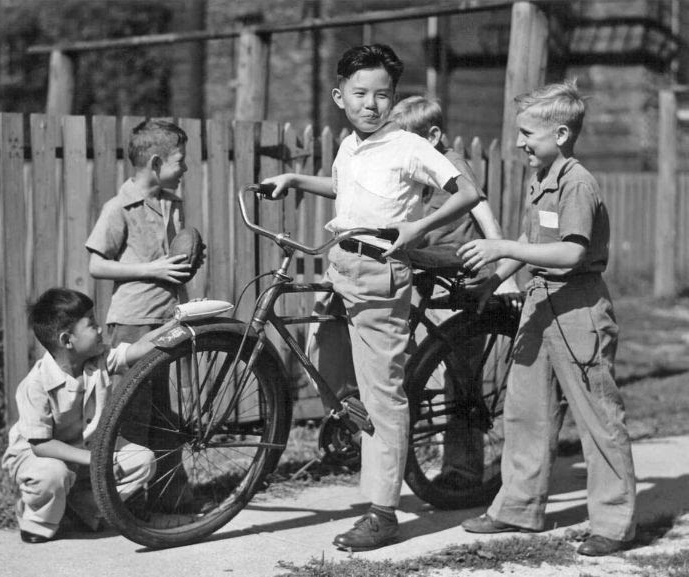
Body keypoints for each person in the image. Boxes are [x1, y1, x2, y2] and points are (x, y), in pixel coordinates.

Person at [262, 43, 481, 551]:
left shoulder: (409, 146)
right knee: (330, 371)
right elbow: (345, 191)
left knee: (383, 394)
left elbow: (467, 192)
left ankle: (384, 512)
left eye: (382, 95)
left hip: (381, 273)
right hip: (340, 263)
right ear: (340, 96)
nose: (371, 103)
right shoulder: (349, 147)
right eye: (360, 93)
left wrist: (418, 226)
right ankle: (365, 444)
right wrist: (294, 178)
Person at [457, 80, 636, 557]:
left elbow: (572, 251)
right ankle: (518, 507)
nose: (518, 143)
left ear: (559, 133)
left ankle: (614, 522)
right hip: (540, 304)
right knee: (525, 411)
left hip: (578, 309)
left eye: (526, 134)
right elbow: (530, 236)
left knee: (598, 417)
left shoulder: (577, 182)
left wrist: (502, 248)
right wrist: (496, 278)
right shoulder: (542, 176)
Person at [389, 94, 519, 489]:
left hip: (462, 271)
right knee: (427, 360)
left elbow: (481, 208)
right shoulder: (416, 166)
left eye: (407, 143)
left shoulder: (450, 164)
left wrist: (503, 267)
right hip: (431, 267)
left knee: (462, 377)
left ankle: (463, 471)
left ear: (432, 136)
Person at [86, 118, 199, 509]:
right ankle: (127, 499)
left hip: (168, 317)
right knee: (130, 410)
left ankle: (171, 493)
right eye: (180, 160)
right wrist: (150, 270)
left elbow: (175, 257)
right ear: (155, 162)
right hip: (133, 321)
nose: (185, 168)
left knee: (167, 411)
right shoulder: (119, 208)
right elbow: (97, 265)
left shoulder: (174, 203)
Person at [2, 287, 163, 543]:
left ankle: (85, 507)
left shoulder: (100, 359)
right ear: (67, 340)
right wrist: (97, 459)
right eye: (92, 325)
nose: (100, 330)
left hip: (88, 451)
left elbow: (140, 348)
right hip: (41, 457)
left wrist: (178, 321)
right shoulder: (35, 385)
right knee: (52, 475)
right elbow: (41, 445)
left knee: (142, 460)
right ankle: (37, 520)